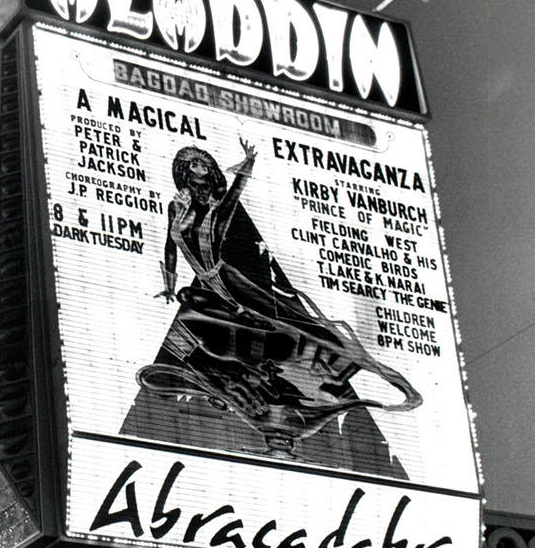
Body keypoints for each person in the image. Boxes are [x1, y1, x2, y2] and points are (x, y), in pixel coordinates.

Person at [128, 139, 420, 474]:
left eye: (205, 172)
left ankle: (393, 382)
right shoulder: (177, 208)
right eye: (193, 173)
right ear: (183, 175)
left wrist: (248, 165)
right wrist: (167, 285)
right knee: (201, 321)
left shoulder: (218, 208)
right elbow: (170, 244)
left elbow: (233, 196)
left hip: (229, 279)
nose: (200, 179)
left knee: (296, 323)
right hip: (209, 287)